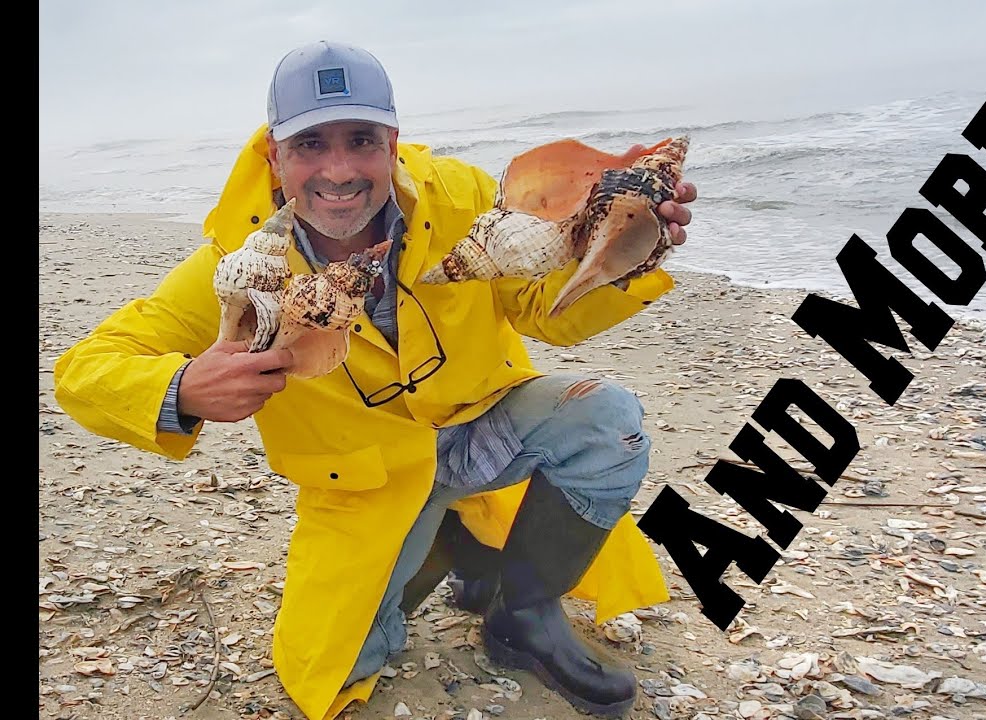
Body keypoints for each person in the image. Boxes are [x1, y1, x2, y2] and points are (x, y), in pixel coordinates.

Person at [52, 40, 697, 720]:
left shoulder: (462, 202)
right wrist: (182, 389)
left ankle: (525, 617)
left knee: (607, 421)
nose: (338, 169)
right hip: (368, 482)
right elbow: (84, 370)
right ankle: (464, 546)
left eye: (360, 140)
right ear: (276, 157)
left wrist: (622, 255)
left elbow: (546, 312)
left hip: (483, 424)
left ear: (392, 142)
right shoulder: (236, 268)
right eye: (310, 145)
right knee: (347, 666)